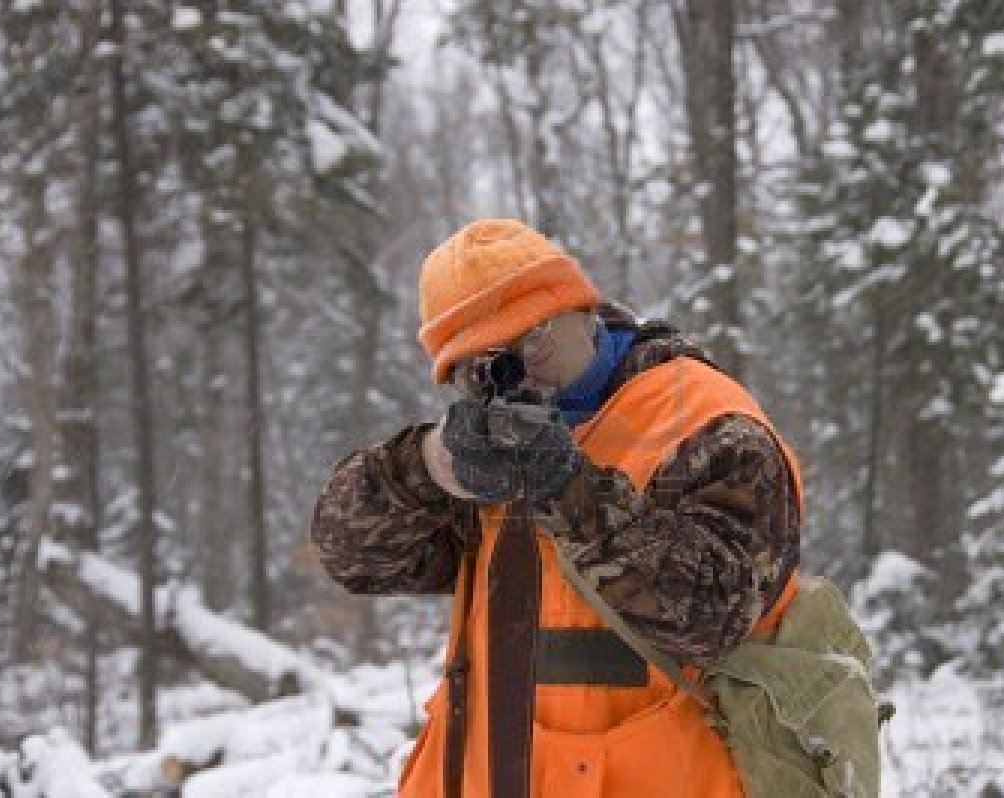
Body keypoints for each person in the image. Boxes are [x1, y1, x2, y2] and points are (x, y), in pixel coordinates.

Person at [310, 218, 804, 798]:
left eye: (532, 337)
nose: (518, 372)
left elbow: (712, 615)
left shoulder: (705, 424)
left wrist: (566, 488)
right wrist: (427, 466)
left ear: (582, 309)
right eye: (481, 366)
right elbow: (351, 557)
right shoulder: (487, 450)